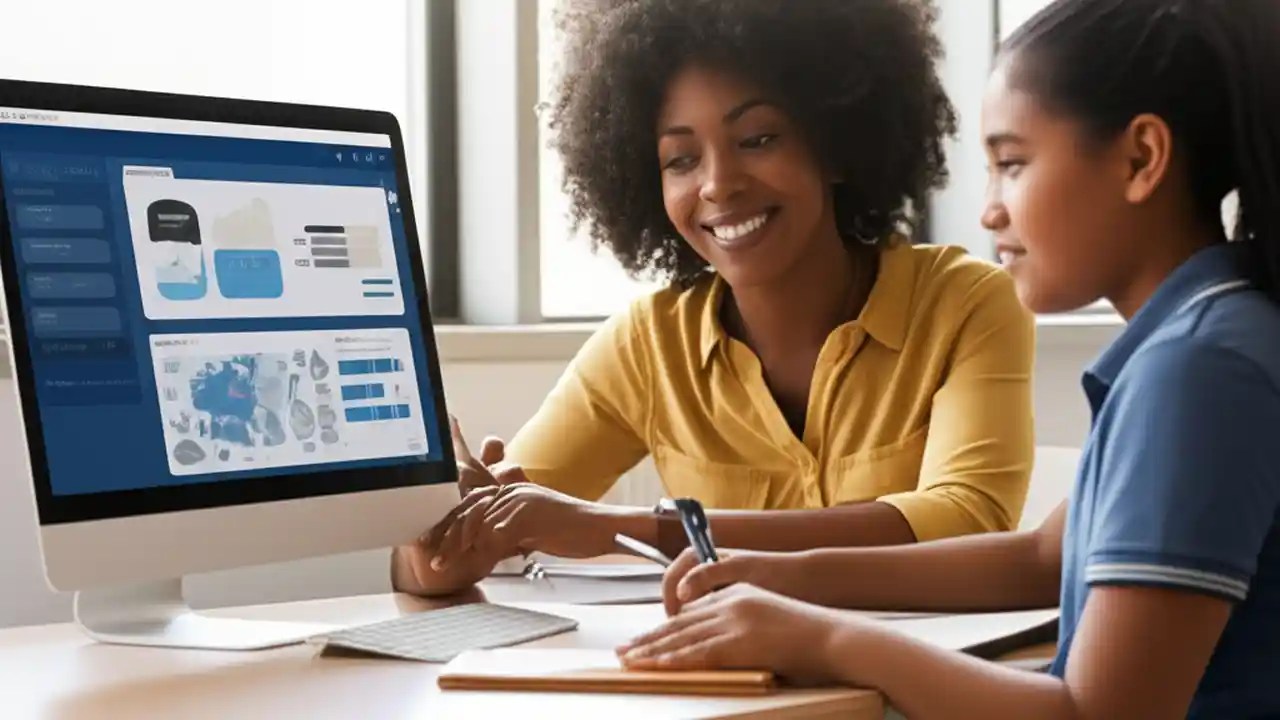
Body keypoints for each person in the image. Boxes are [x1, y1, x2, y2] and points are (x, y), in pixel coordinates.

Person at [618, 0, 1280, 717]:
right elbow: (1039, 559)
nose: (990, 210)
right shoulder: (1210, 336)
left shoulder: (1196, 372)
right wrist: (787, 576)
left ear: (1140, 158)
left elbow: (1095, 714)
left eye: (1013, 164)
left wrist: (825, 640)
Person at [393, 0, 1036, 596]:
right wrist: (442, 532)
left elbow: (967, 521)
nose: (718, 184)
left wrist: (635, 529)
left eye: (758, 139)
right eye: (680, 159)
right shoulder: (649, 346)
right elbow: (440, 557)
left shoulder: (963, 303)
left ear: (835, 145)